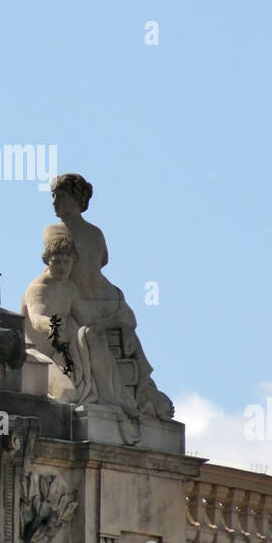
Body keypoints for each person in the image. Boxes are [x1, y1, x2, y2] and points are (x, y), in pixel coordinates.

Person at [48, 174, 173, 420]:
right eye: (52, 196)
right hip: (109, 297)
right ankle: (145, 387)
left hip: (83, 299)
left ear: (76, 200)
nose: (54, 202)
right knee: (126, 332)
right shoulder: (96, 232)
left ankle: (128, 393)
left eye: (60, 196)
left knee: (93, 333)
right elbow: (103, 260)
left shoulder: (54, 231)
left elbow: (58, 268)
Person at [21, 227, 141, 444]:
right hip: (35, 356)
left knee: (89, 334)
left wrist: (120, 323)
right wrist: (54, 327)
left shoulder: (69, 288)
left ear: (73, 262)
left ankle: (117, 399)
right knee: (67, 394)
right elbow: (38, 319)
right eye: (57, 261)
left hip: (62, 352)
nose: (62, 267)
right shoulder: (38, 288)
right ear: (47, 261)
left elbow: (88, 318)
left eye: (66, 262)